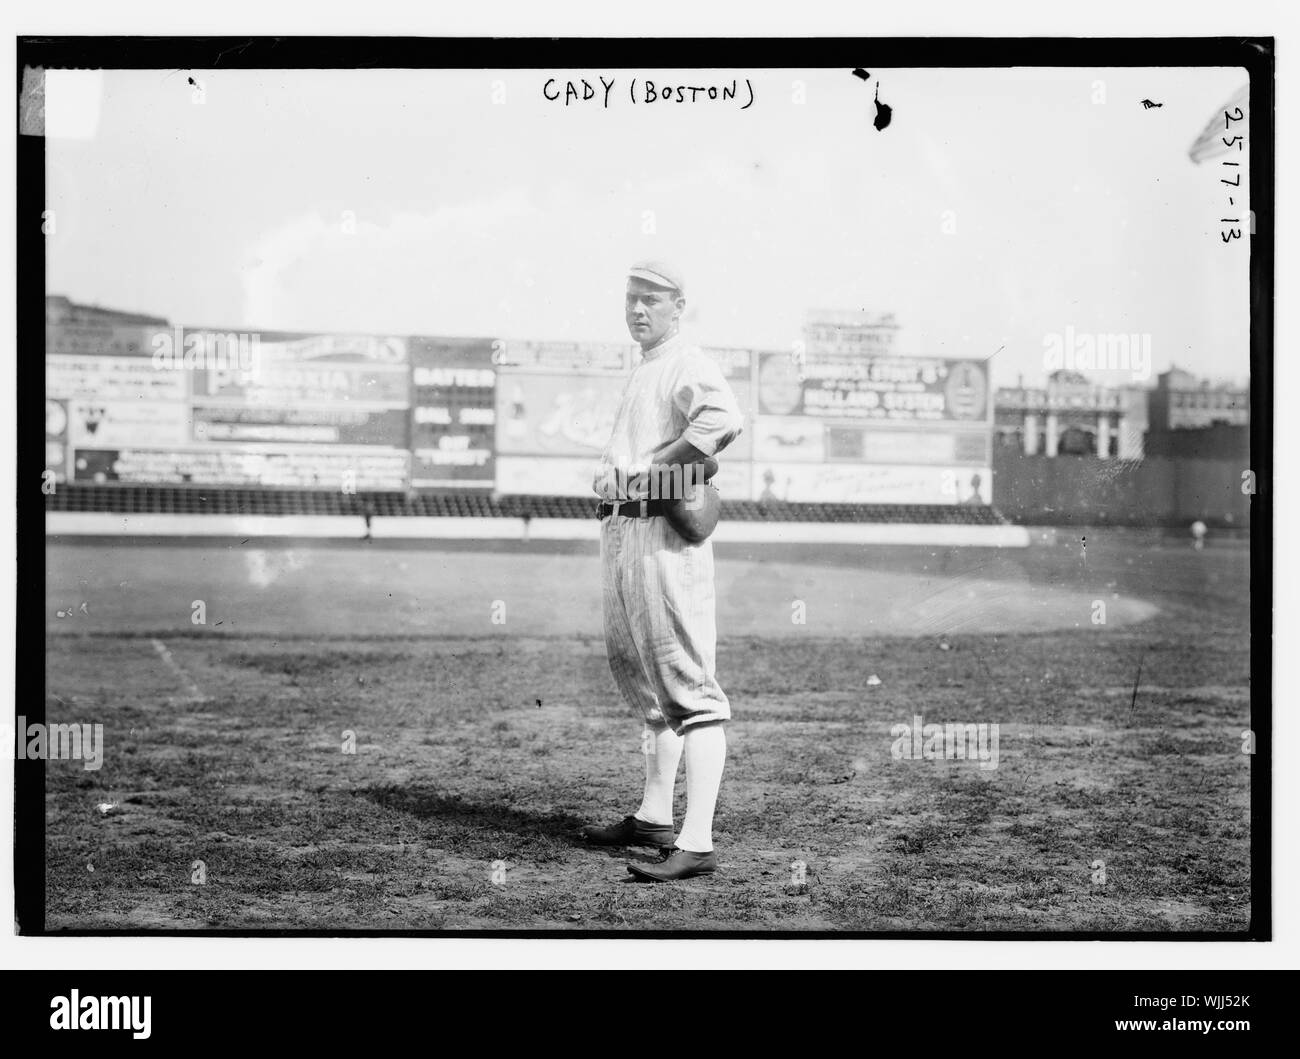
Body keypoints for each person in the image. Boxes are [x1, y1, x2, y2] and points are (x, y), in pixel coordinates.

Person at [583, 260, 744, 881]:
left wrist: (658, 469)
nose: (638, 310)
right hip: (623, 528)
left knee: (690, 690)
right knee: (645, 683)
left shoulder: (687, 361)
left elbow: (722, 421)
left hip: (661, 532)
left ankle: (697, 840)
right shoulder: (648, 367)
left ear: (679, 306)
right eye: (631, 299)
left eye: (651, 300)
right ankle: (654, 815)